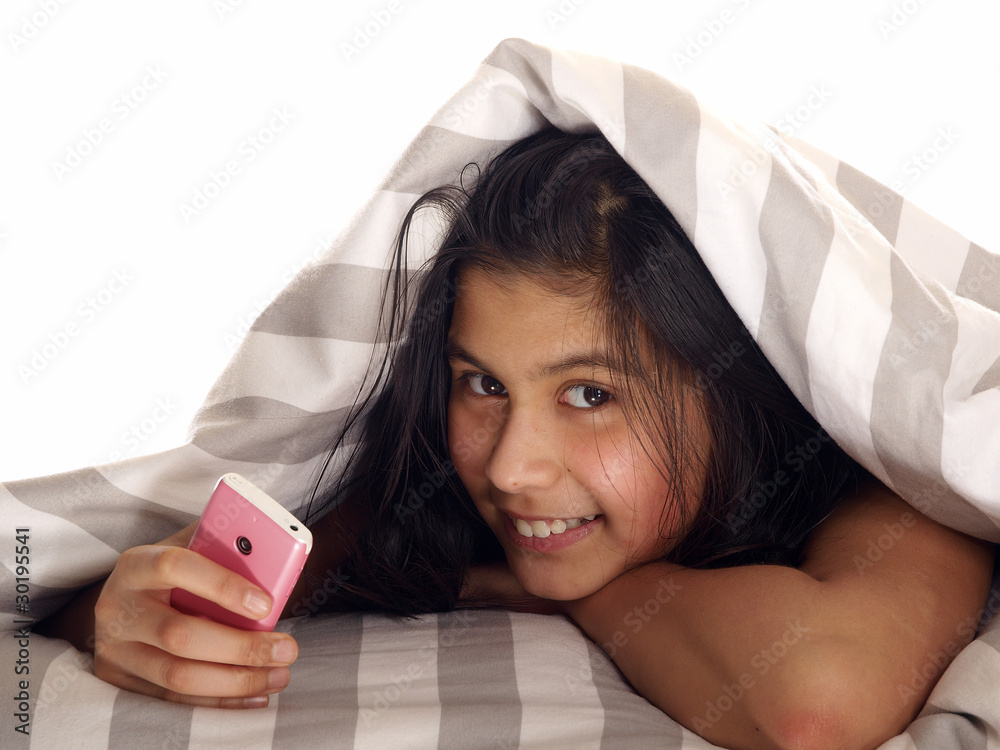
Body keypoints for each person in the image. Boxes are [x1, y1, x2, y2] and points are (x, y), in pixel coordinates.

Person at [39, 127, 995, 750]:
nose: (508, 465)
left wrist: (594, 588)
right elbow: (151, 597)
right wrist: (125, 615)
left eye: (589, 393)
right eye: (483, 382)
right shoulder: (429, 483)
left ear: (735, 390)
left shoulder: (884, 481)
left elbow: (815, 706)